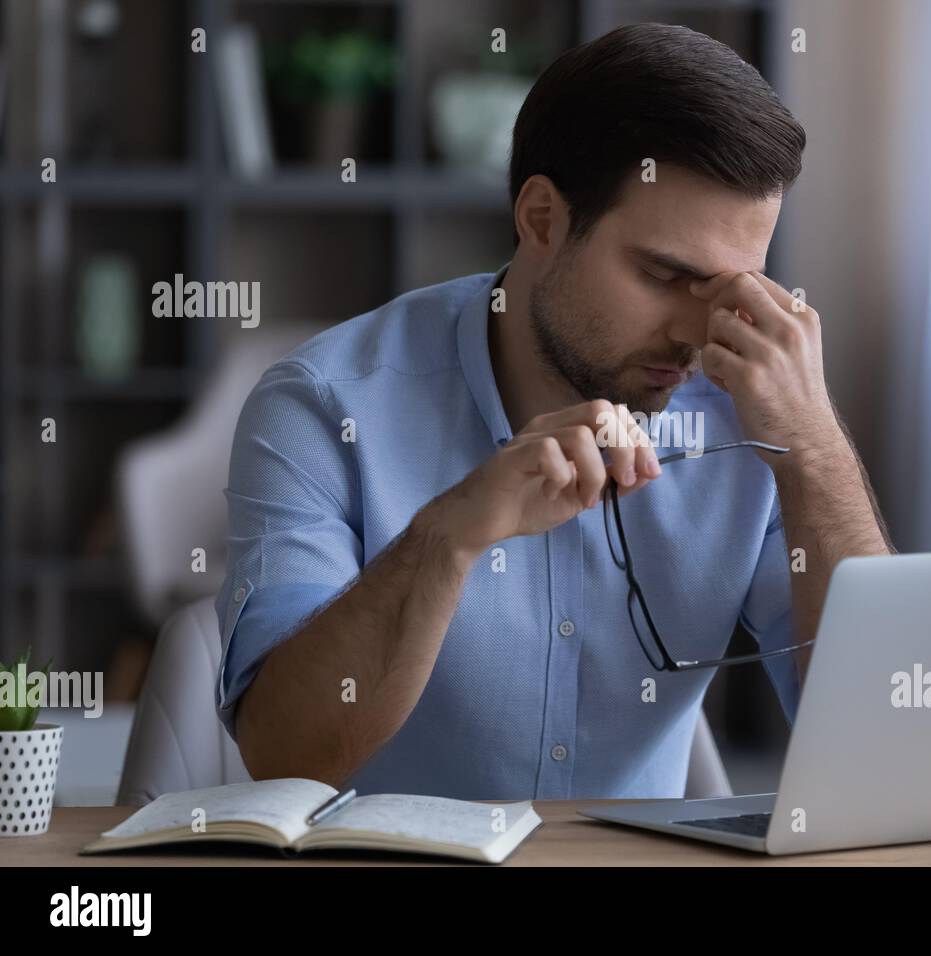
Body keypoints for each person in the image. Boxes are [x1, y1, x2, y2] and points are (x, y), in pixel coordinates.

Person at [215, 23, 893, 799]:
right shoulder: (323, 406)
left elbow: (882, 743)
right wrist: (450, 534)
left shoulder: (756, 413)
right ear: (541, 218)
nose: (697, 332)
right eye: (666, 274)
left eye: (733, 287)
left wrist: (816, 449)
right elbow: (284, 755)